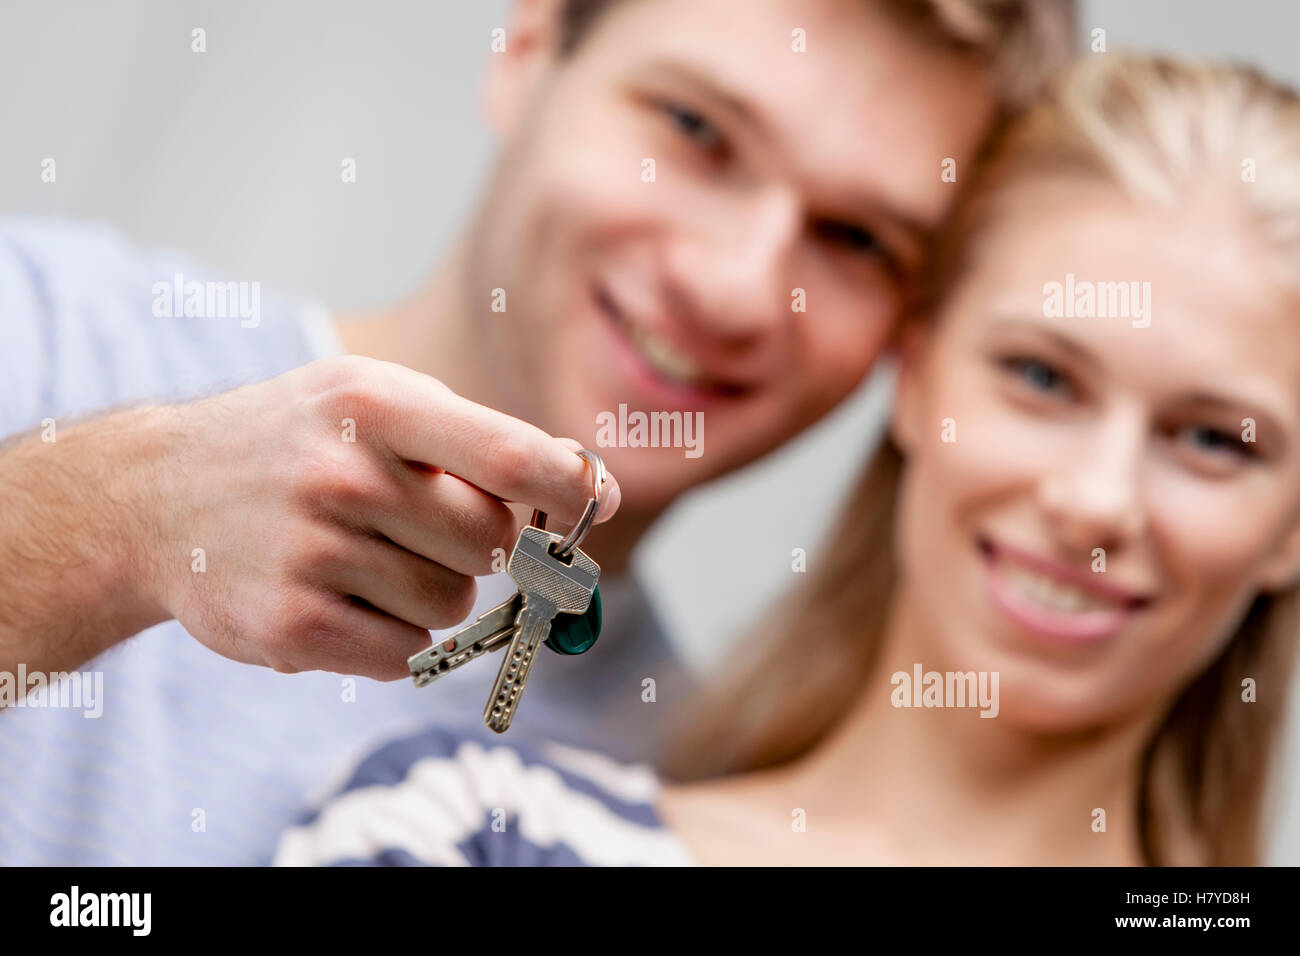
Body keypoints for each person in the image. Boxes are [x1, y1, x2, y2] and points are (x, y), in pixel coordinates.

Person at [0, 0, 1073, 864]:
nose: (737, 286)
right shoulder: (33, 328)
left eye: (854, 237)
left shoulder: (701, 808)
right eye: (695, 132)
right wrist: (121, 523)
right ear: (525, 47)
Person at [277, 52, 1300, 866]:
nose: (1095, 499)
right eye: (1040, 376)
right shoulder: (468, 825)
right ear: (916, 371)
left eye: (1213, 439)